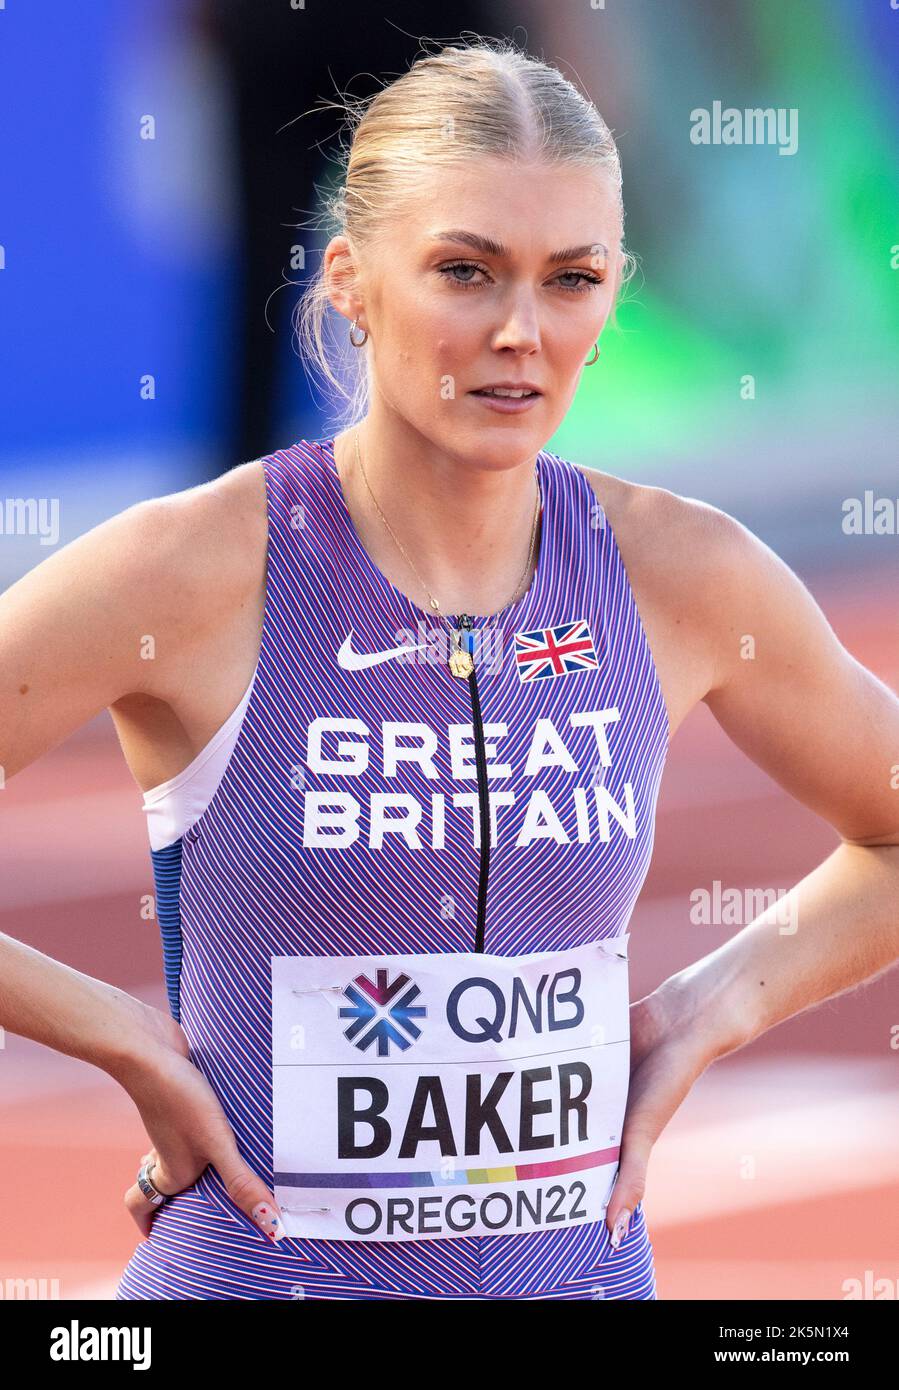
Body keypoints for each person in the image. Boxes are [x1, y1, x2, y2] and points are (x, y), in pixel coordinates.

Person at [2, 36, 898, 1302]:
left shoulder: (682, 575)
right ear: (352, 282)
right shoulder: (191, 571)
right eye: (464, 272)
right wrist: (125, 1038)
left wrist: (707, 1008)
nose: (521, 331)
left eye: (570, 278)